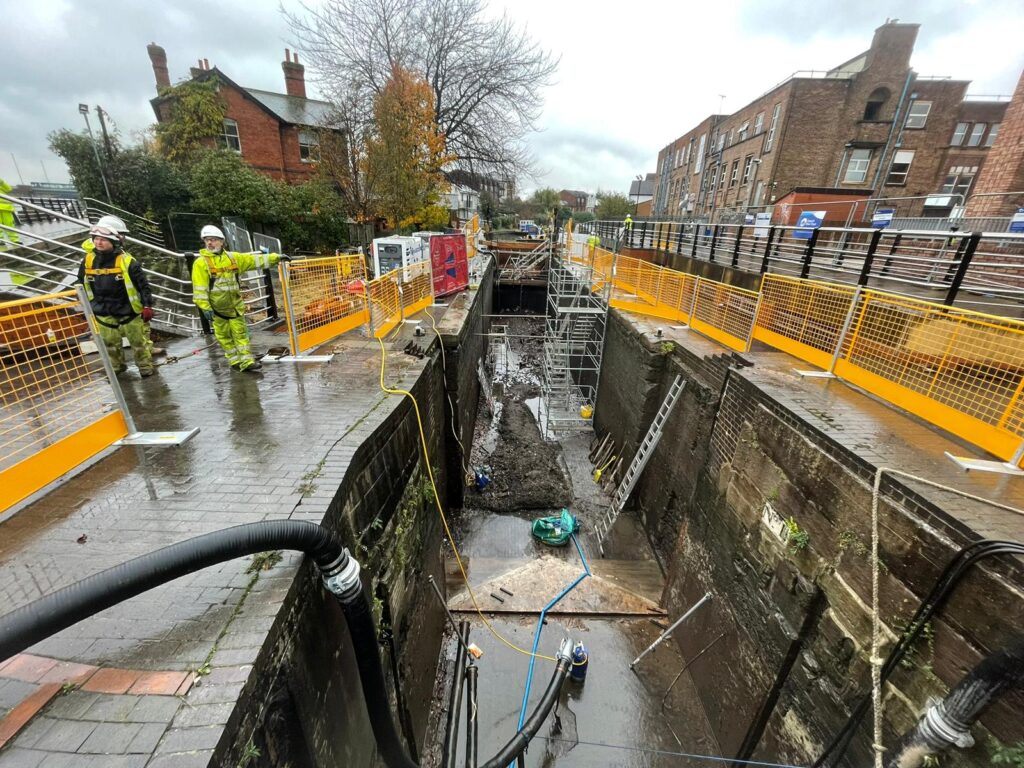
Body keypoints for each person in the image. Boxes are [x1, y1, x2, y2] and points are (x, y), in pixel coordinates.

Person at [191, 225, 287, 373]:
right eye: (207, 240)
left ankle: (246, 362)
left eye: (213, 240)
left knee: (241, 334)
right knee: (224, 337)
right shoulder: (201, 263)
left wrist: (276, 258)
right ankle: (234, 360)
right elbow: (199, 289)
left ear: (222, 242)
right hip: (217, 309)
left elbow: (254, 260)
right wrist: (205, 307)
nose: (210, 243)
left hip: (235, 305)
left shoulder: (233, 258)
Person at [77, 219, 156, 377]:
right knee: (110, 345)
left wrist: (147, 305)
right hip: (103, 311)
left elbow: (143, 286)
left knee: (139, 343)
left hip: (128, 311)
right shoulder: (88, 261)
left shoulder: (128, 262)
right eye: (96, 239)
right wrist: (87, 306)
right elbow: (81, 283)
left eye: (103, 239)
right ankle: (117, 369)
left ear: (114, 240)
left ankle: (145, 368)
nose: (98, 242)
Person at [0, 177, 20, 249]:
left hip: (6, 208)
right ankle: (1, 240)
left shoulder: (1, 183)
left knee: (10, 224)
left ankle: (15, 240)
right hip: (5, 207)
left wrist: (1, 182)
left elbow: (9, 189)